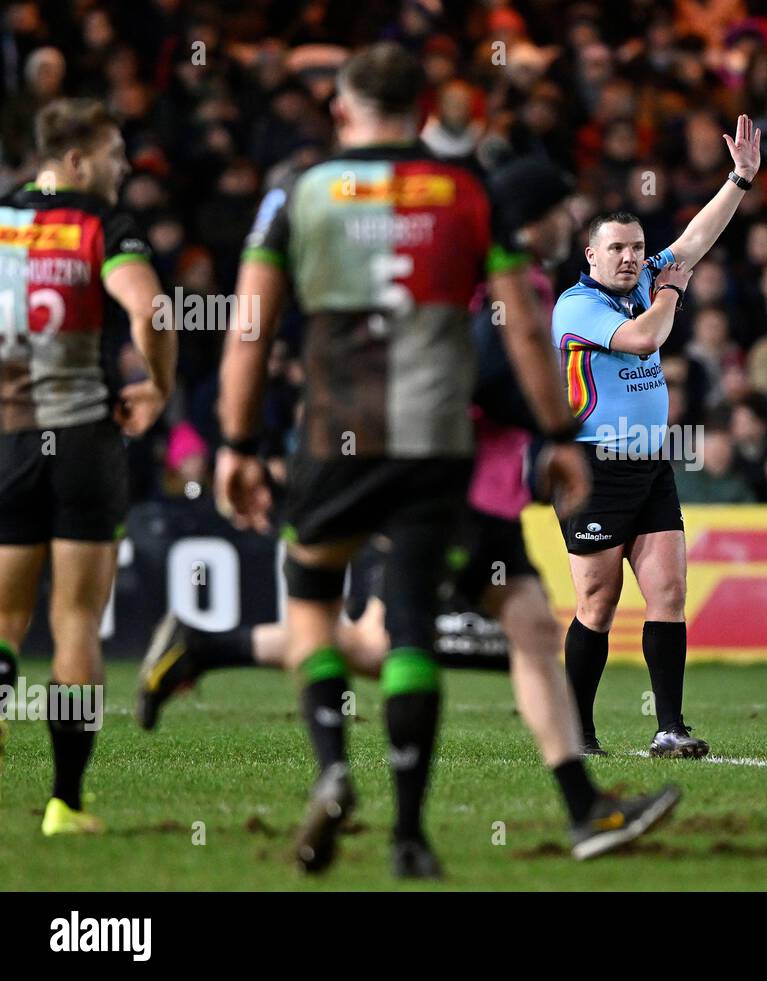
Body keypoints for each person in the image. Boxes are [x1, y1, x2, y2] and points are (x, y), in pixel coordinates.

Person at [138, 154, 680, 865]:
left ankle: (204, 647)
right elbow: (487, 371)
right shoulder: (514, 281)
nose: (569, 222)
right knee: (449, 632)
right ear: (538, 218)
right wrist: (555, 432)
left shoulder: (490, 269)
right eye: (562, 211)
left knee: (399, 635)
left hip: (420, 468)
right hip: (444, 479)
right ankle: (481, 823)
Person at [214, 43, 595, 879]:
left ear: (342, 111)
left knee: (314, 607)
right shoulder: (468, 192)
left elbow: (250, 329)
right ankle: (410, 836)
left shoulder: (298, 194)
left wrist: (237, 442)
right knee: (412, 624)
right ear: (425, 111)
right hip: (432, 441)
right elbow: (525, 327)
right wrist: (559, 434)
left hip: (333, 437)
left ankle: (333, 768)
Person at [553, 114, 761, 758]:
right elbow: (647, 337)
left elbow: (697, 238)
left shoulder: (647, 278)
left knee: (668, 591)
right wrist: (670, 290)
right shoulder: (576, 305)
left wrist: (740, 180)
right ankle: (575, 732)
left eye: (637, 249)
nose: (630, 258)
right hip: (593, 467)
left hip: (650, 463)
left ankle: (669, 727)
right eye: (615, 249)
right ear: (591, 255)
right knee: (598, 600)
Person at [0, 98, 176, 835]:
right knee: (74, 622)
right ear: (76, 159)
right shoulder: (106, 227)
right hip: (82, 440)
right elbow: (153, 311)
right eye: (113, 152)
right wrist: (158, 386)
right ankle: (65, 803)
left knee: (4, 623)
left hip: (7, 439)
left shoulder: (2, 220)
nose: (124, 165)